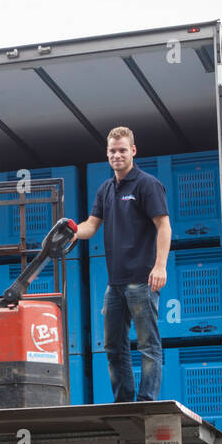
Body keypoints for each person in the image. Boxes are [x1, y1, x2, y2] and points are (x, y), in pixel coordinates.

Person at [74, 126, 171, 402]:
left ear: (133, 151)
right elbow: (91, 226)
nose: (117, 155)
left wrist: (160, 266)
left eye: (122, 150)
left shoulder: (146, 184)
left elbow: (164, 226)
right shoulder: (106, 189)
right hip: (114, 285)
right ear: (107, 153)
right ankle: (124, 400)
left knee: (148, 345)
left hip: (142, 280)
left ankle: (147, 400)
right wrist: (70, 231)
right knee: (113, 346)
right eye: (113, 151)